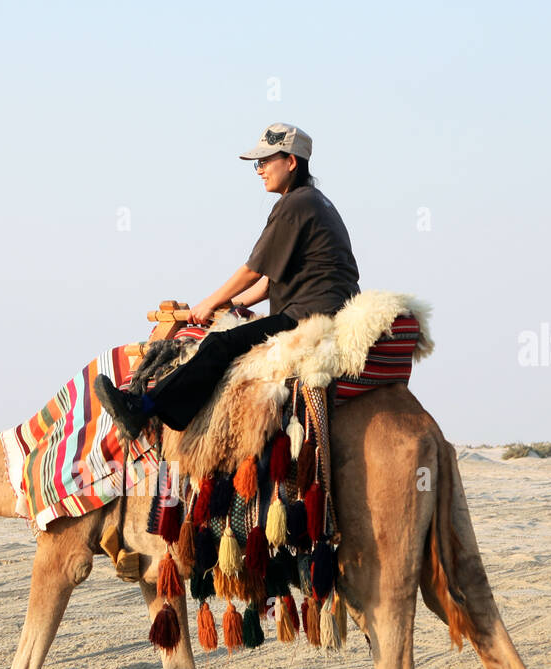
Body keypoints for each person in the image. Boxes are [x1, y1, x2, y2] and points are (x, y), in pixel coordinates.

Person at [96, 122, 361, 438]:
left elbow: (252, 271)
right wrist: (228, 308)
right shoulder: (316, 202)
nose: (260, 170)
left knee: (219, 344)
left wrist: (210, 301)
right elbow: (266, 284)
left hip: (307, 316)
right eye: (257, 164)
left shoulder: (295, 204)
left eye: (265, 161)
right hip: (321, 308)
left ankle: (142, 407)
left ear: (291, 162)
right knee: (229, 330)